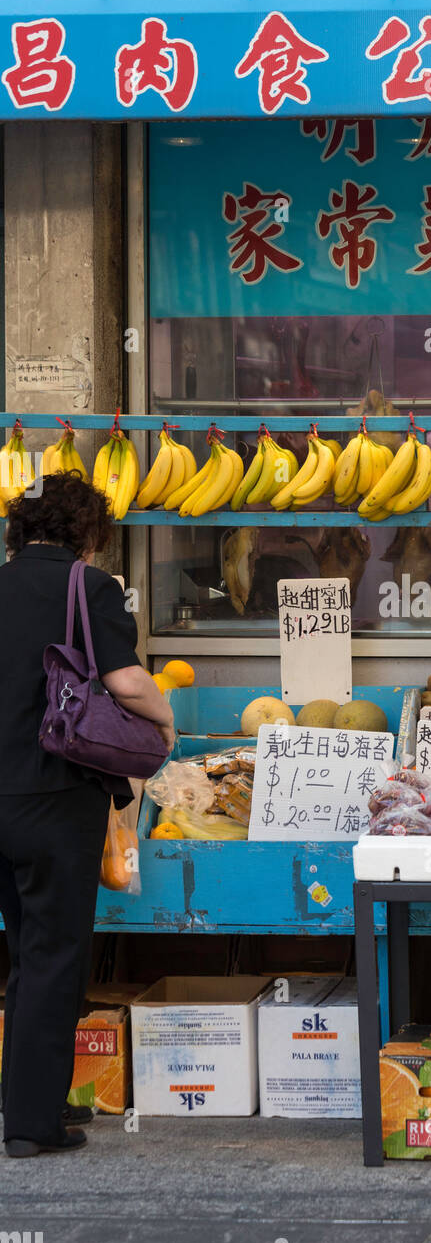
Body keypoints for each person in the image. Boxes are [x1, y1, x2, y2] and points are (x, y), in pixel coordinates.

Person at [0, 472, 174, 1157]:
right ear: (88, 533)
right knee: (52, 953)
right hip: (53, 799)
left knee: (22, 951)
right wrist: (165, 725)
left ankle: (28, 1103)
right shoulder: (86, 588)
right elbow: (126, 682)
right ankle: (31, 1125)